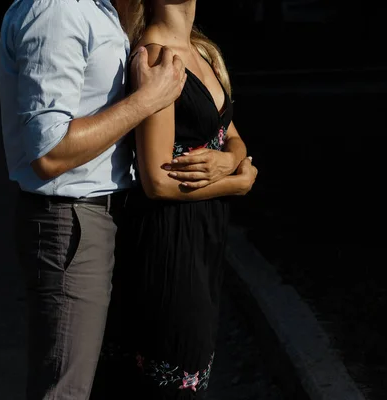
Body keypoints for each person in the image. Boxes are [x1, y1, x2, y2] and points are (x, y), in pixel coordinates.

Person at [0, 0, 246, 399]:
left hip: (111, 218)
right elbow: (49, 153)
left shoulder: (105, 12)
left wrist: (233, 157)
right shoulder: (59, 10)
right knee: (66, 390)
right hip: (74, 217)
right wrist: (149, 99)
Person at [116, 0, 258, 397]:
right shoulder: (158, 56)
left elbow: (230, 133)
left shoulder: (202, 51)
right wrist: (236, 182)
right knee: (174, 378)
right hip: (170, 240)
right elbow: (155, 181)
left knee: (194, 370)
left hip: (204, 236)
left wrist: (230, 158)